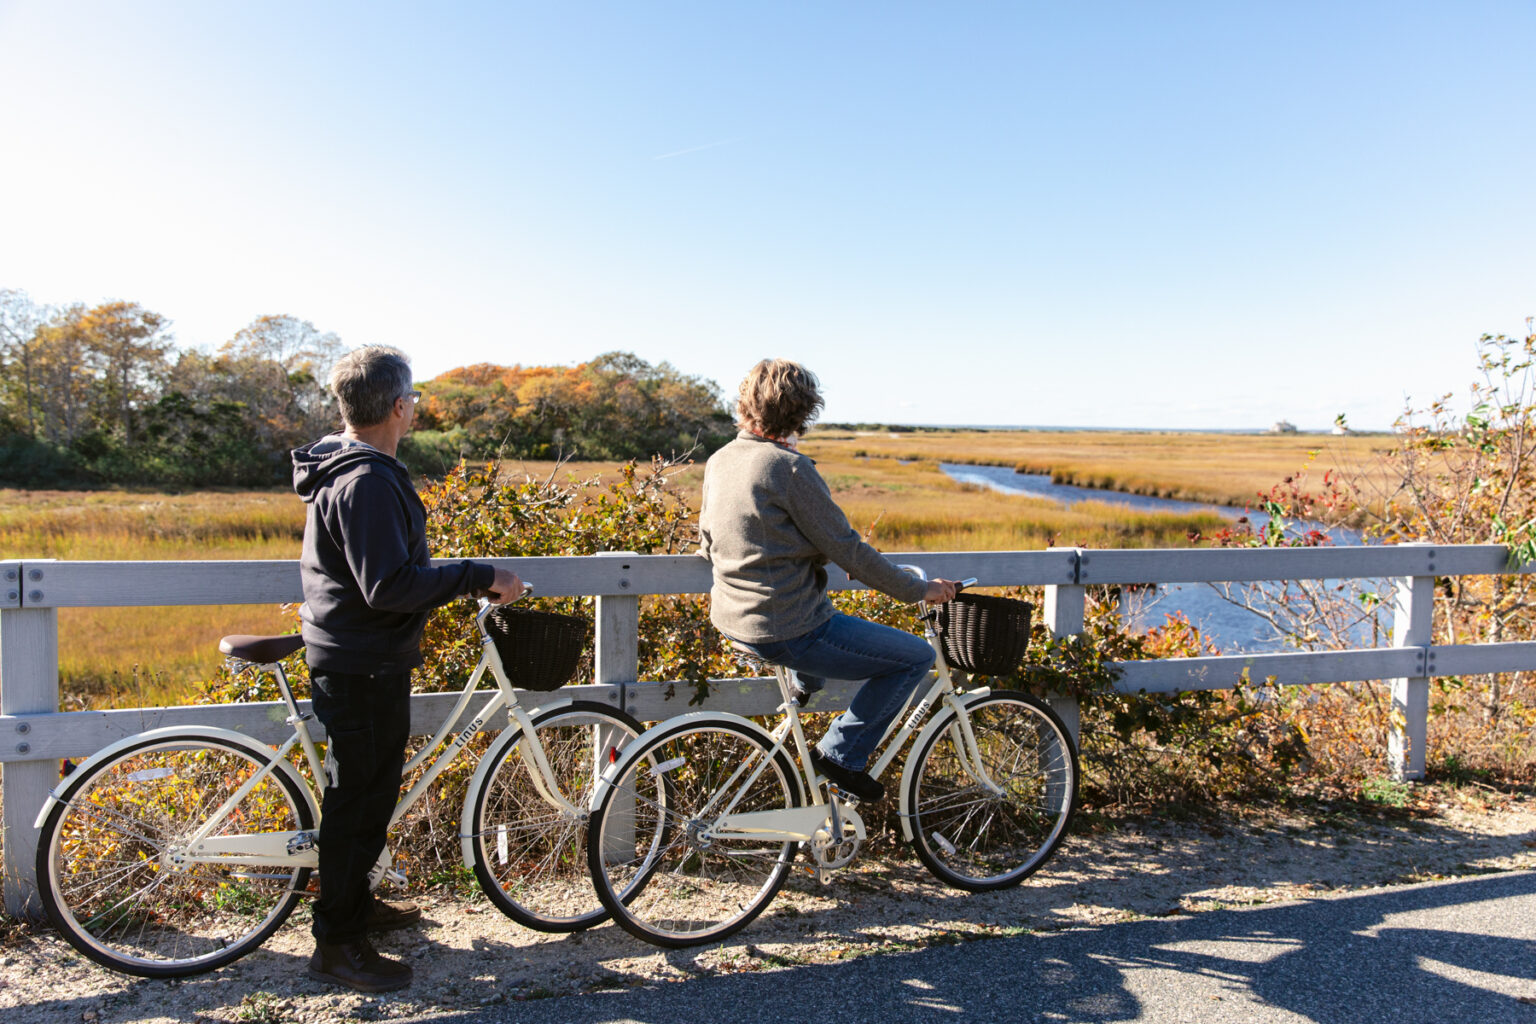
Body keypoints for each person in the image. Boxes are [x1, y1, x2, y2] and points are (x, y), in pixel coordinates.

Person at [292, 345, 524, 993]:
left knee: (368, 794)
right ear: (399, 407)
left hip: (359, 656)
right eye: (413, 398)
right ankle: (337, 944)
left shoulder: (349, 467)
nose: (415, 407)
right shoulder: (365, 480)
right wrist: (481, 575)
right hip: (361, 663)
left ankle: (354, 907)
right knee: (357, 801)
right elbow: (388, 587)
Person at [697, 358, 959, 802]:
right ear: (802, 411)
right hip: (787, 626)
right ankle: (840, 756)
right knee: (913, 658)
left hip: (735, 619)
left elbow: (709, 542)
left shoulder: (722, 460)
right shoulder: (790, 469)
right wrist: (919, 589)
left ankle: (804, 692)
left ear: (745, 405)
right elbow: (849, 549)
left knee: (822, 645)